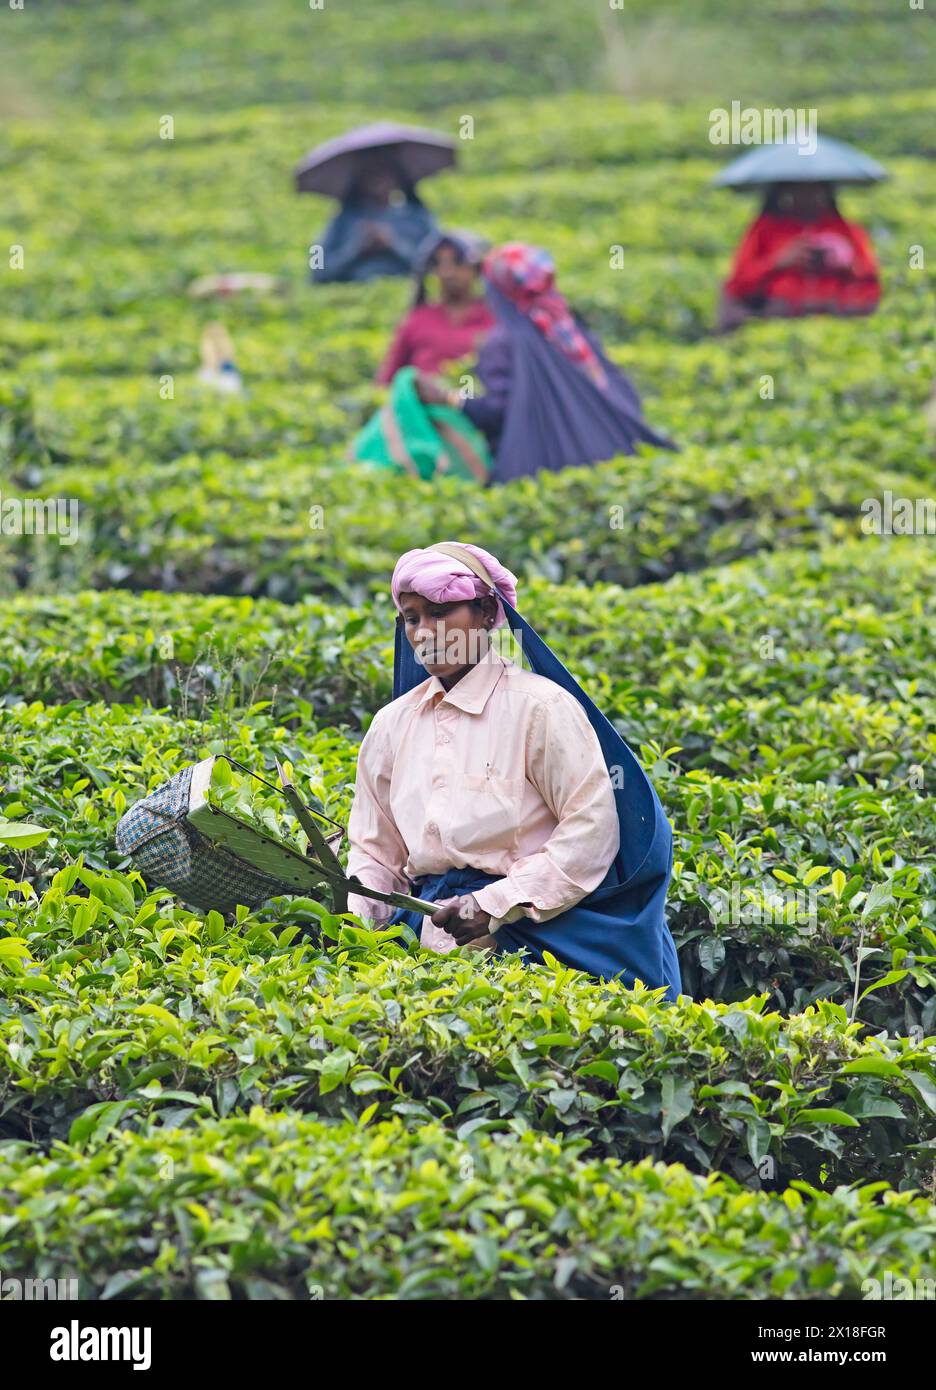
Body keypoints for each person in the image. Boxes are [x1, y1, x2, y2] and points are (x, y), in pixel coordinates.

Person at [345, 540, 681, 997]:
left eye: (440, 613)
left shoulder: (541, 709)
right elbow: (375, 851)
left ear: (486, 612)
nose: (423, 631)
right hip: (425, 929)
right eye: (412, 617)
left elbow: (591, 831)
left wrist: (493, 903)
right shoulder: (391, 725)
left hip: (534, 935)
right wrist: (358, 918)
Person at [414, 242, 676, 482]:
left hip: (540, 469)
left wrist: (450, 398)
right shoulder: (568, 329)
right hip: (609, 458)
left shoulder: (503, 343)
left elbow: (498, 413)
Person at [717, 182, 881, 331]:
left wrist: (845, 265)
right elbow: (737, 285)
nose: (806, 194)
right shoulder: (765, 229)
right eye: (798, 187)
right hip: (777, 320)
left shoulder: (846, 229)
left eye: (814, 187)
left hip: (838, 318)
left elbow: (871, 278)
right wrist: (779, 262)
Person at [375, 230, 495, 385]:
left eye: (457, 263)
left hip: (476, 402)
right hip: (423, 407)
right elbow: (387, 379)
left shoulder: (492, 318)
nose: (447, 273)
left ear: (477, 269)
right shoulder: (418, 319)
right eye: (438, 264)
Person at [311, 153, 437, 285]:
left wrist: (394, 245)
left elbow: (438, 263)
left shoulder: (417, 217)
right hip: (354, 298)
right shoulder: (342, 221)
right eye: (371, 173)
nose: (378, 180)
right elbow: (316, 269)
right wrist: (355, 250)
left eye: (384, 172)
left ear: (398, 177)